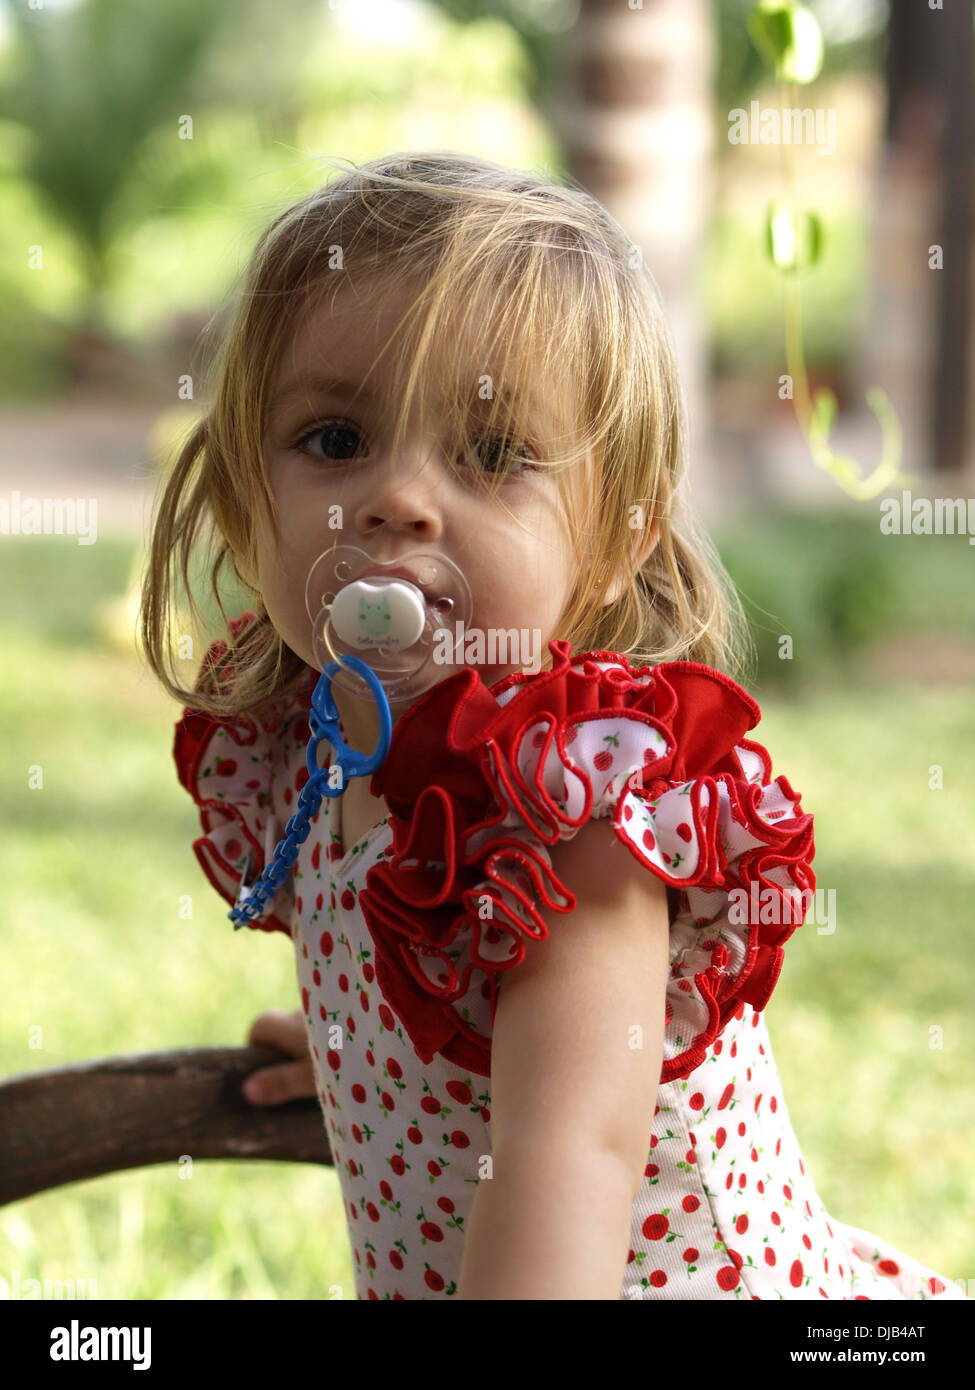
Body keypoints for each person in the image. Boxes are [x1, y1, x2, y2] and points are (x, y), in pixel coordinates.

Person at [143, 152, 967, 1302]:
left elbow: (563, 1152)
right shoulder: (311, 744)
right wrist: (367, 1061)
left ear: (614, 538)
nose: (398, 499)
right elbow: (479, 1044)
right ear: (243, 496)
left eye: (490, 455)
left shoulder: (565, 817)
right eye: (335, 440)